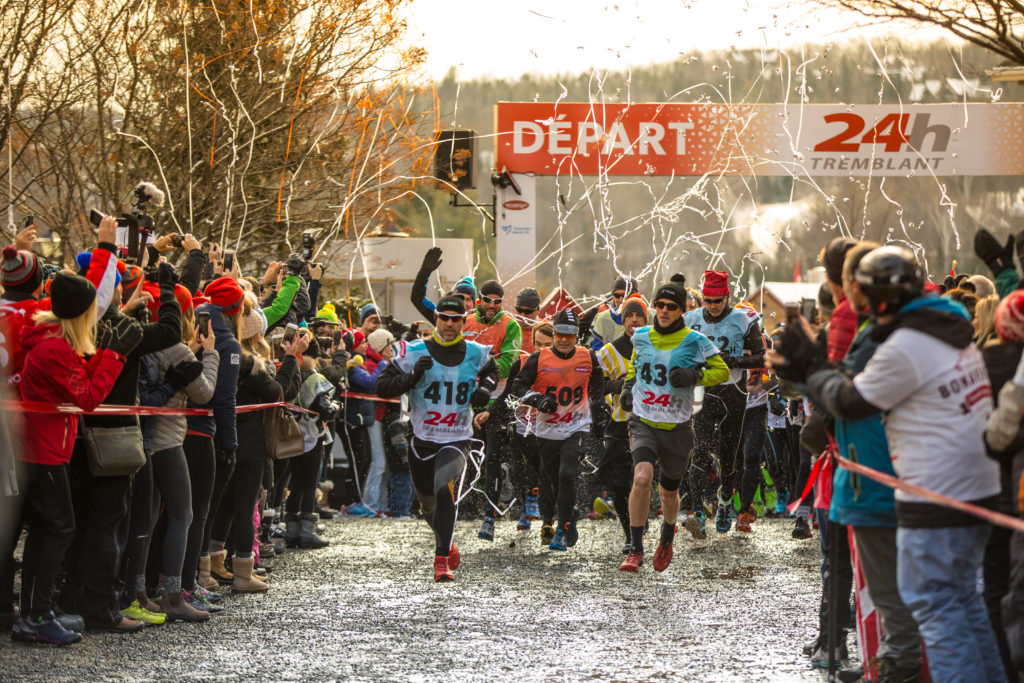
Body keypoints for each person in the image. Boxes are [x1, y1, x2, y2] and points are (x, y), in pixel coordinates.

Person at [772, 245, 1005, 683]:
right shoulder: (944, 325)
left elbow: (849, 401)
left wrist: (812, 367)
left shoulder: (907, 345)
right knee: (963, 603)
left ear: (873, 298)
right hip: (974, 483)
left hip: (935, 489)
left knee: (935, 608)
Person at [13, 272, 140, 644]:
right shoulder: (53, 348)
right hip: (43, 451)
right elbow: (87, 397)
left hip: (44, 448)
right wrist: (114, 355)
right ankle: (36, 615)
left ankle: (35, 612)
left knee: (48, 531)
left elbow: (79, 378)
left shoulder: (54, 342)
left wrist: (104, 354)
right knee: (57, 530)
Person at [376, 294, 497, 581]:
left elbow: (493, 371)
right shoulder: (414, 351)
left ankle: (441, 559)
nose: (449, 324)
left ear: (463, 321)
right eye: (444, 318)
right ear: (436, 319)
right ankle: (447, 541)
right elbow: (382, 387)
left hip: (457, 438)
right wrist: (411, 377)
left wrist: (485, 389)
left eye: (456, 319)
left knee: (444, 487)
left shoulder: (476, 352)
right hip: (422, 439)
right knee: (429, 506)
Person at [619, 274, 728, 572]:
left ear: (681, 311)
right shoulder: (641, 336)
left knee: (669, 492)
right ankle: (635, 548)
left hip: (677, 426)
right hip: (643, 421)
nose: (665, 310)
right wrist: (628, 388)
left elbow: (722, 371)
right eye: (660, 305)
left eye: (671, 306)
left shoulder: (695, 341)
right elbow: (635, 367)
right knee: (642, 478)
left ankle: (666, 538)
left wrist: (696, 376)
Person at [508, 309, 604, 551]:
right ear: (554, 334)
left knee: (566, 474)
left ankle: (562, 528)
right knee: (554, 481)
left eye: (569, 335)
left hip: (576, 427)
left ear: (577, 335)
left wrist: (598, 405)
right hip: (547, 430)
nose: (564, 339)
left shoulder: (587, 356)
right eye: (560, 333)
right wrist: (538, 400)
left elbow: (597, 382)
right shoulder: (538, 358)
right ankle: (570, 512)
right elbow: (517, 387)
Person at [684, 269, 764, 534]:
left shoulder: (743, 319)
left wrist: (734, 360)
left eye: (718, 301)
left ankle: (726, 502)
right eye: (707, 300)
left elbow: (761, 357)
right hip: (704, 391)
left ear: (727, 297)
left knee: (729, 457)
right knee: (699, 449)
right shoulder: (691, 319)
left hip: (733, 393)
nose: (712, 306)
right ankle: (697, 511)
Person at [595, 295, 648, 553]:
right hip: (619, 423)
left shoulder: (655, 347)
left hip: (649, 424)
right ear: (622, 320)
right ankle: (629, 533)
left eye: (638, 316)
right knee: (617, 483)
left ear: (646, 320)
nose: (634, 320)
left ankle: (640, 523)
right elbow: (596, 384)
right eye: (629, 316)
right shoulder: (608, 351)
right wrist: (619, 385)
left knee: (641, 478)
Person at [590, 276, 638, 350]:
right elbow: (597, 352)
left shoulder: (651, 316)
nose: (621, 300)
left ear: (636, 296)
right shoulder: (603, 318)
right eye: (617, 295)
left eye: (625, 295)